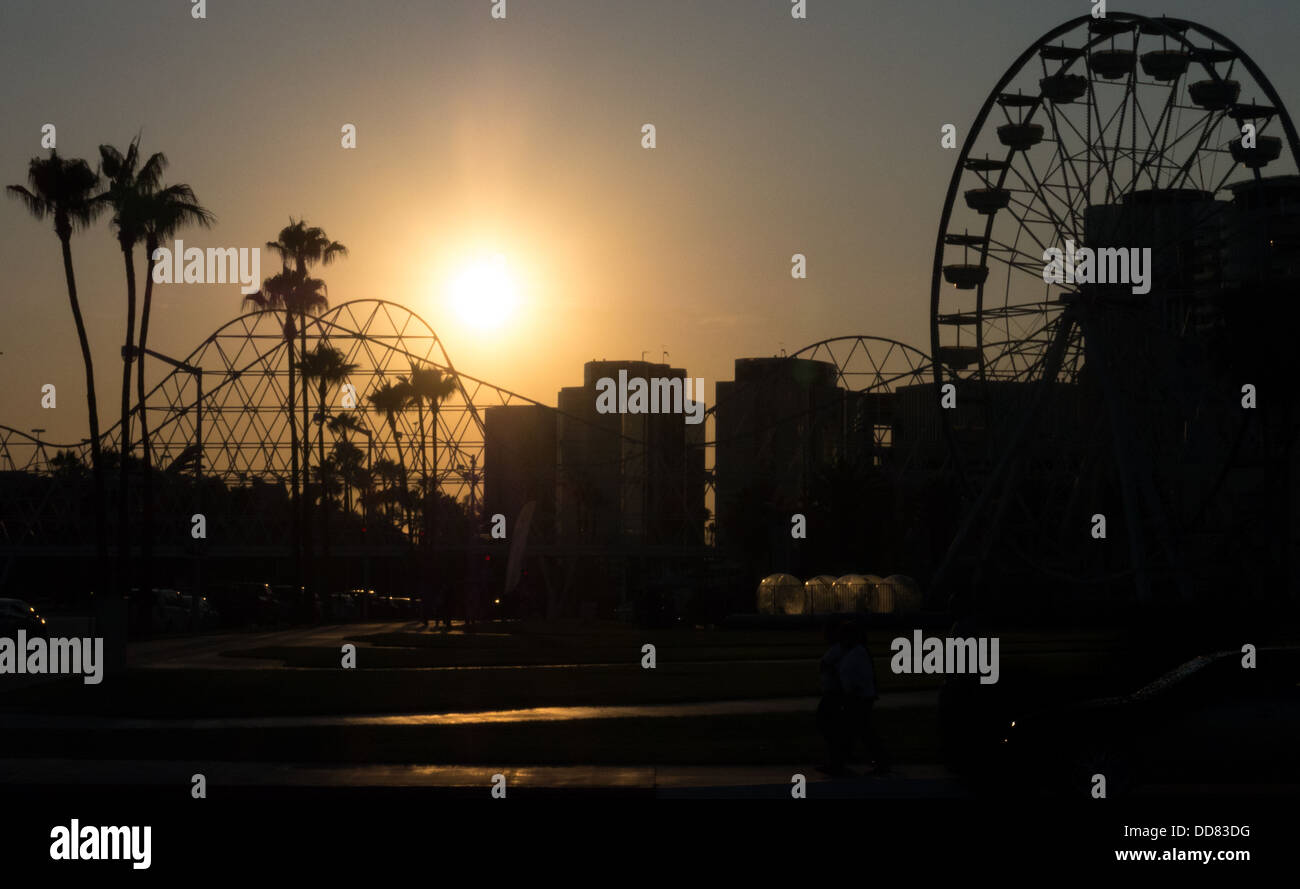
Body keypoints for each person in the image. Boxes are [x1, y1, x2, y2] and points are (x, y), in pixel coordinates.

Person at [839, 620, 892, 774]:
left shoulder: (858, 652)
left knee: (863, 730)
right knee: (860, 730)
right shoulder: (857, 651)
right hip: (860, 696)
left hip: (859, 697)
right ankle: (876, 760)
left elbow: (862, 676)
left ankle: (880, 761)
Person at [817, 617, 849, 774]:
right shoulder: (837, 649)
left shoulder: (838, 651)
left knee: (830, 728)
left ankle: (835, 762)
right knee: (830, 728)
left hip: (834, 694)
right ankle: (834, 761)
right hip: (832, 692)